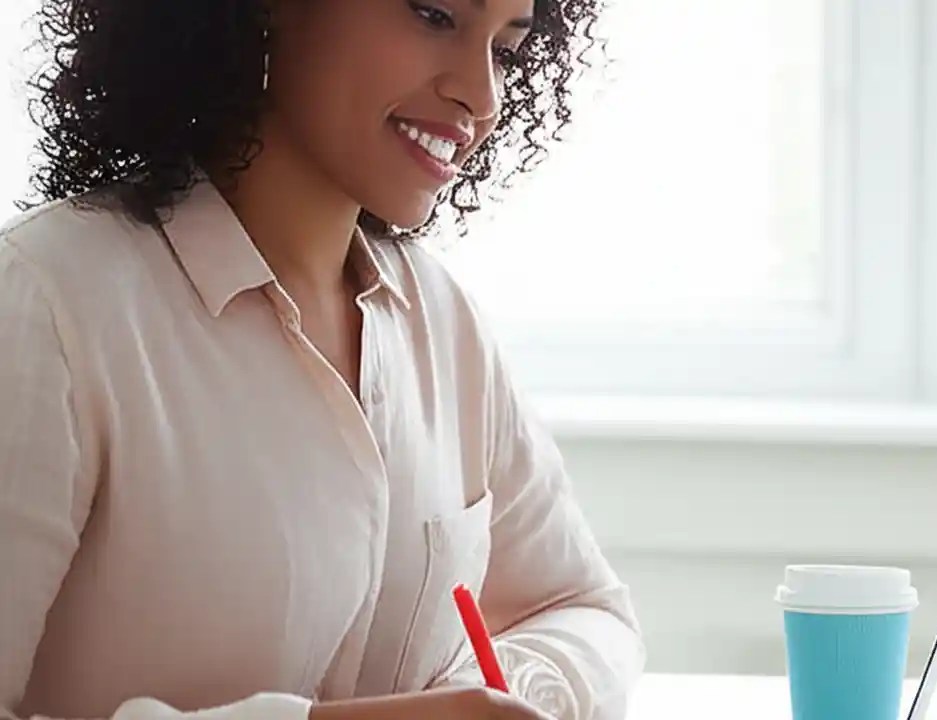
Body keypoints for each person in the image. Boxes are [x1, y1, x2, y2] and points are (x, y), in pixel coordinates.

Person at [0, 1, 643, 719]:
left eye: (503, 46)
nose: (482, 94)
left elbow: (587, 611)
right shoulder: (46, 303)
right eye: (435, 16)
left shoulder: (443, 321)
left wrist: (510, 699)